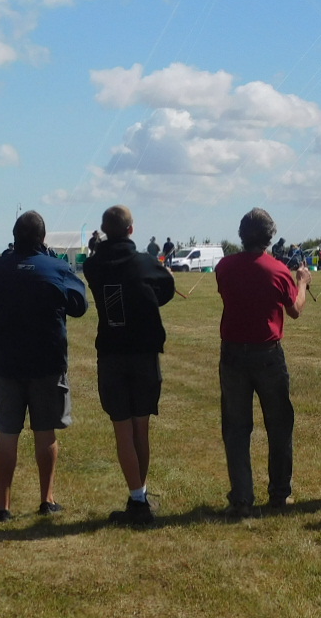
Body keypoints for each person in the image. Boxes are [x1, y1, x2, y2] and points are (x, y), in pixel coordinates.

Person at [0, 211, 88, 521]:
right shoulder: (58, 267)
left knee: (6, 433)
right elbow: (80, 306)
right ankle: (47, 500)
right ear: (43, 238)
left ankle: (3, 506)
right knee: (46, 432)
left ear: (14, 236)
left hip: (4, 362)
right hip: (47, 363)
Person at [82, 205, 176, 526]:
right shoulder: (147, 263)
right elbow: (164, 291)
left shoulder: (93, 266)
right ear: (131, 230)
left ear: (104, 230)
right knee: (141, 427)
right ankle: (140, 497)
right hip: (143, 354)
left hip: (111, 353)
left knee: (122, 429)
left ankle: (138, 498)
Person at [214, 207, 312, 517]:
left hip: (232, 352)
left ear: (242, 235)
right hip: (268, 354)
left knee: (236, 427)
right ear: (270, 237)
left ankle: (242, 496)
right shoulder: (277, 270)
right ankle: (280, 494)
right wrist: (302, 283)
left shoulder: (224, 266)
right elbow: (295, 310)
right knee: (279, 424)